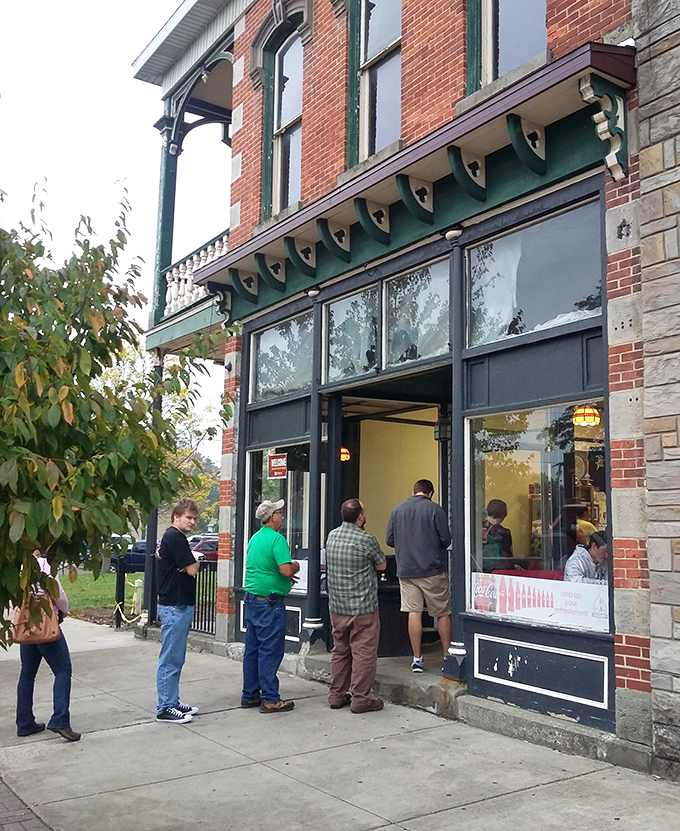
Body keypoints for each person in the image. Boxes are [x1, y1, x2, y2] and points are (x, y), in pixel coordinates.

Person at [325, 499, 387, 714]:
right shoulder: (366, 539)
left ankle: (336, 695)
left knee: (340, 650)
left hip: (337, 606)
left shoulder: (332, 535)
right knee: (364, 652)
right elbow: (382, 564)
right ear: (360, 516)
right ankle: (361, 698)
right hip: (362, 607)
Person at [386, 479, 452, 672]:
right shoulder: (435, 509)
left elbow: (389, 539)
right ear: (430, 493)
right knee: (442, 612)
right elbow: (446, 539)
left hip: (406, 569)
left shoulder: (397, 510)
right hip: (432, 569)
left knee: (413, 612)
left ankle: (417, 659)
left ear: (413, 491)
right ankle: (448, 657)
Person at [241, 499, 300, 713]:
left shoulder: (255, 538)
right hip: (270, 603)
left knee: (253, 649)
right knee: (270, 650)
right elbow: (285, 569)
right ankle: (270, 698)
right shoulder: (277, 539)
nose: (282, 516)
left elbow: (264, 568)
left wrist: (282, 577)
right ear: (272, 516)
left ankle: (250, 694)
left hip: (252, 598)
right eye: (280, 512)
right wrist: (295, 566)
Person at [16, 550, 80, 742]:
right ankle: (60, 719)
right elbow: (58, 596)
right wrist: (64, 612)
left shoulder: (21, 566)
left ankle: (24, 722)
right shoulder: (45, 566)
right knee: (63, 669)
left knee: (27, 673)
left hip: (27, 623)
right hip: (44, 624)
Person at [156, 497, 200, 724]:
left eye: (194, 518)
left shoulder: (174, 537)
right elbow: (192, 569)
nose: (192, 522)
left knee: (176, 656)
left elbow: (188, 567)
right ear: (176, 517)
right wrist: (193, 563)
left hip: (176, 604)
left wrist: (190, 564)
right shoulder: (175, 537)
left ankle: (172, 700)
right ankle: (165, 706)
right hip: (175, 604)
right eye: (188, 517)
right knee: (171, 657)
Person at [482, 498, 513, 571]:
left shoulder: (478, 528)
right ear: (503, 516)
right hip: (500, 568)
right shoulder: (505, 533)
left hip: (482, 566)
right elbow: (508, 554)